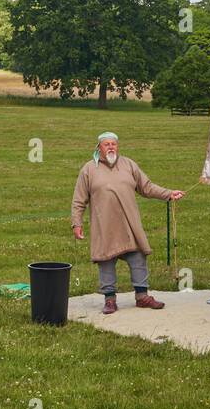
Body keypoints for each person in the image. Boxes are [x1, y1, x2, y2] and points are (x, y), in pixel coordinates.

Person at [71, 132, 184, 313]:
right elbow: (78, 200)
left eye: (114, 144)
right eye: (107, 144)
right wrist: (76, 223)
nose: (111, 147)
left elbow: (147, 187)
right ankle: (109, 300)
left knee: (138, 257)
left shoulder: (129, 165)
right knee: (105, 260)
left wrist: (169, 194)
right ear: (98, 147)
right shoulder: (89, 169)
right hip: (104, 226)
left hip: (129, 224)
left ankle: (142, 296)